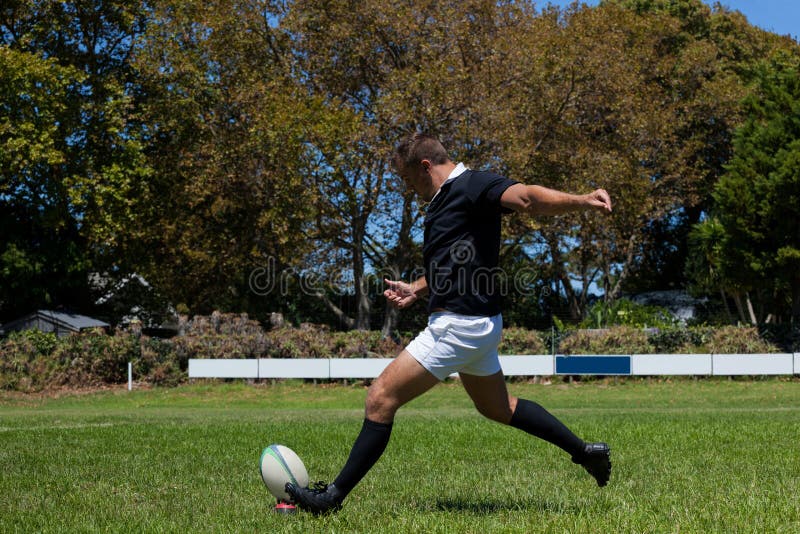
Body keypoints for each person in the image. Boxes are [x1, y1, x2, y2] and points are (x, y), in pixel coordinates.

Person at [286, 132, 613, 514]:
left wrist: (582, 200)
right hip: (478, 325)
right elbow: (457, 262)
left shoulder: (472, 185)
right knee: (499, 409)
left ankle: (331, 499)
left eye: (410, 180)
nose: (410, 190)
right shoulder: (445, 202)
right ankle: (586, 452)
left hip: (459, 325)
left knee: (380, 398)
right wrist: (417, 289)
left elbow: (526, 198)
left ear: (426, 166)